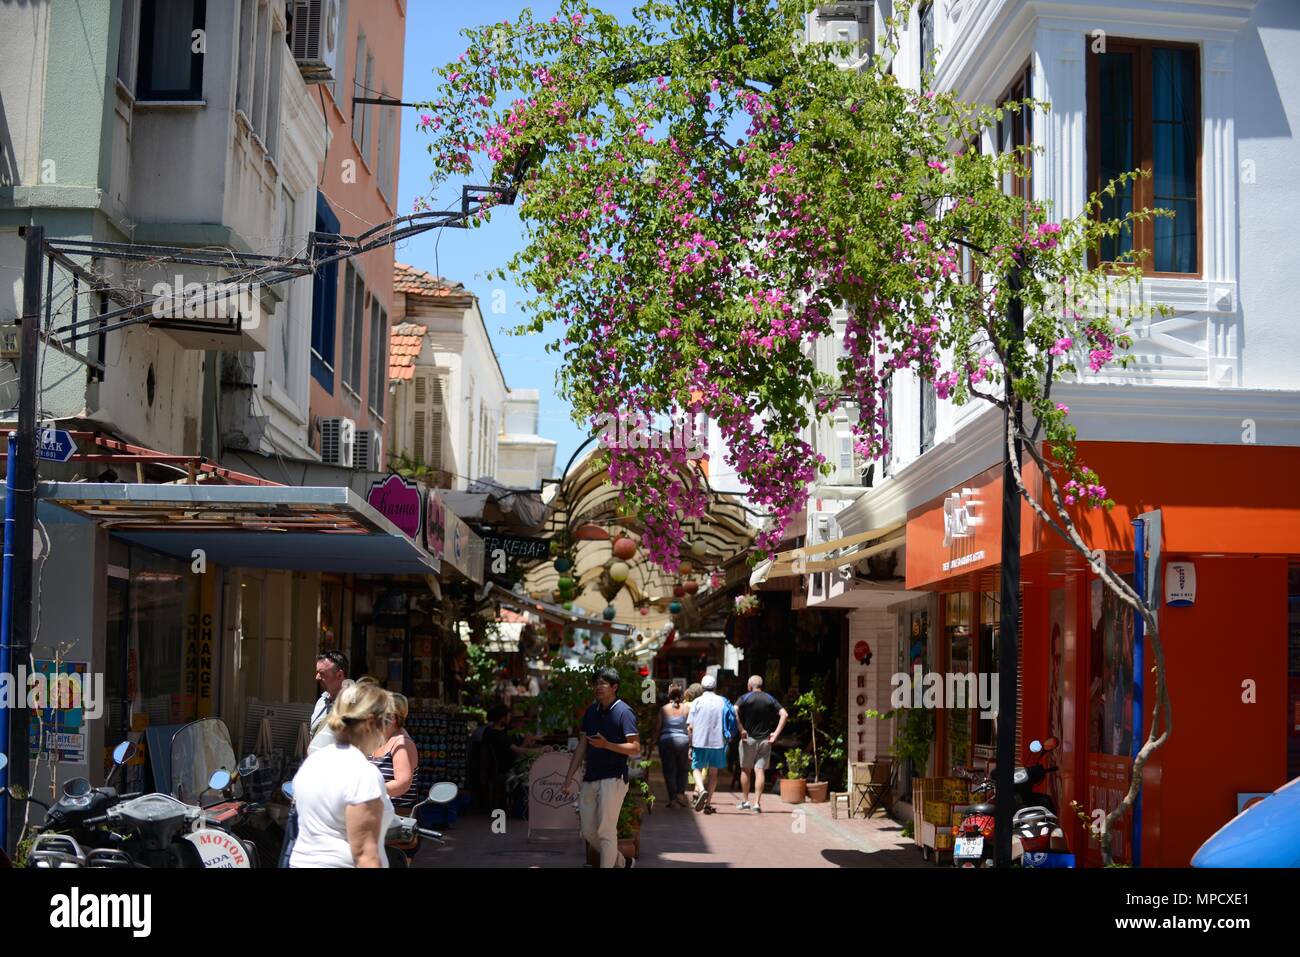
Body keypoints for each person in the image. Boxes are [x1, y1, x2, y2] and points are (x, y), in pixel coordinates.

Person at [289, 682, 397, 868]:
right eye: (386, 720)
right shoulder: (362, 773)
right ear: (371, 723)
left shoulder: (312, 763)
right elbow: (365, 855)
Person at [562, 668, 640, 868]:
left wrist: (607, 745)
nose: (598, 687)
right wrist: (569, 776)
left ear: (614, 687)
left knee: (606, 831)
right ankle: (622, 862)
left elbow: (635, 748)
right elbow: (582, 746)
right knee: (587, 831)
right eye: (596, 683)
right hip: (591, 777)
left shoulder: (624, 712)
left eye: (603, 683)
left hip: (613, 778)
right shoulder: (591, 711)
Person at [735, 675, 789, 813]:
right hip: (765, 740)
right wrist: (775, 734)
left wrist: (741, 729)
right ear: (761, 685)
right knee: (760, 771)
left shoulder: (745, 698)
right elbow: (784, 714)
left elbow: (733, 710)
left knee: (746, 769)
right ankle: (757, 803)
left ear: (749, 685)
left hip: (748, 739)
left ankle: (746, 801)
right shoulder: (769, 698)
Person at [370, 692, 420, 810]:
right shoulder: (379, 740)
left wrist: (369, 792)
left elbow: (402, 784)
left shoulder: (402, 744)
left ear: (391, 718)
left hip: (395, 816)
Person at [687, 674, 728, 813]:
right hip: (718, 742)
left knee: (696, 768)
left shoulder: (697, 702)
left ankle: (701, 789)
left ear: (702, 687)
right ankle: (708, 803)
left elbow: (690, 726)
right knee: (713, 773)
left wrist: (690, 745)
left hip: (700, 741)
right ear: (715, 687)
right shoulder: (722, 701)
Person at [651, 684, 692, 808]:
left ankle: (673, 799)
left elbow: (658, 727)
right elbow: (690, 728)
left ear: (669, 695)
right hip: (684, 741)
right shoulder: (686, 709)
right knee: (683, 770)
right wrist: (691, 744)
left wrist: (653, 740)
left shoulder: (663, 709)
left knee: (669, 771)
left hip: (666, 741)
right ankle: (680, 793)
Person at [308, 651, 354, 754]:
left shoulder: (355, 705)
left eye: (322, 673)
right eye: (317, 672)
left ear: (339, 675)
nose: (317, 677)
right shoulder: (321, 701)